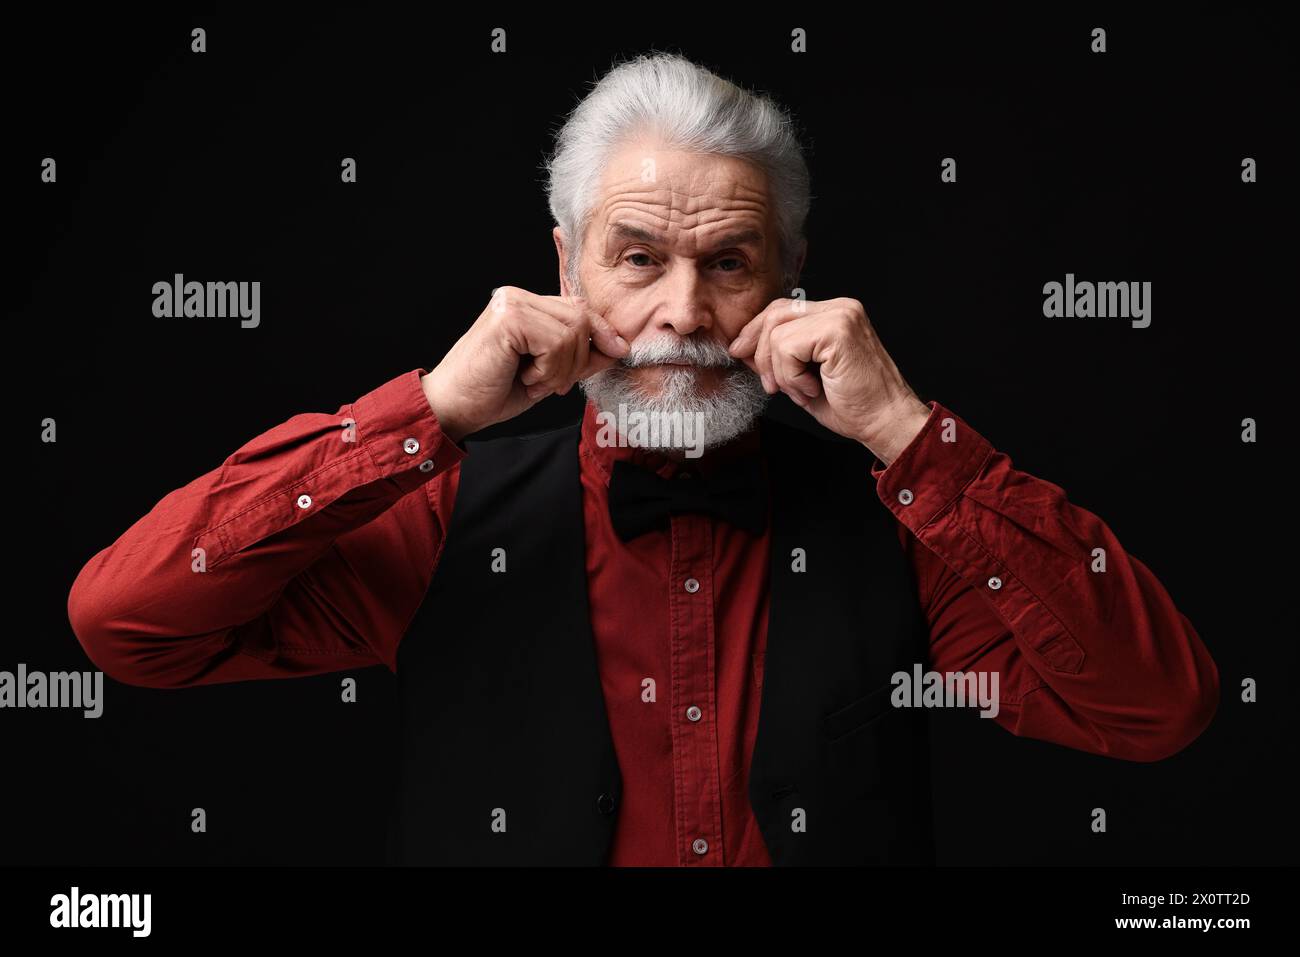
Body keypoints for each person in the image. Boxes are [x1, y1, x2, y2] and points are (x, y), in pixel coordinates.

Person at [67, 53, 1218, 866]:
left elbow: (1156, 710)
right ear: (566, 270)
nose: (682, 312)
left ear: (790, 278)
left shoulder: (905, 529)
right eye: (636, 258)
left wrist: (913, 439)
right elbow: (127, 624)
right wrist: (426, 412)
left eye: (728, 261)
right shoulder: (442, 512)